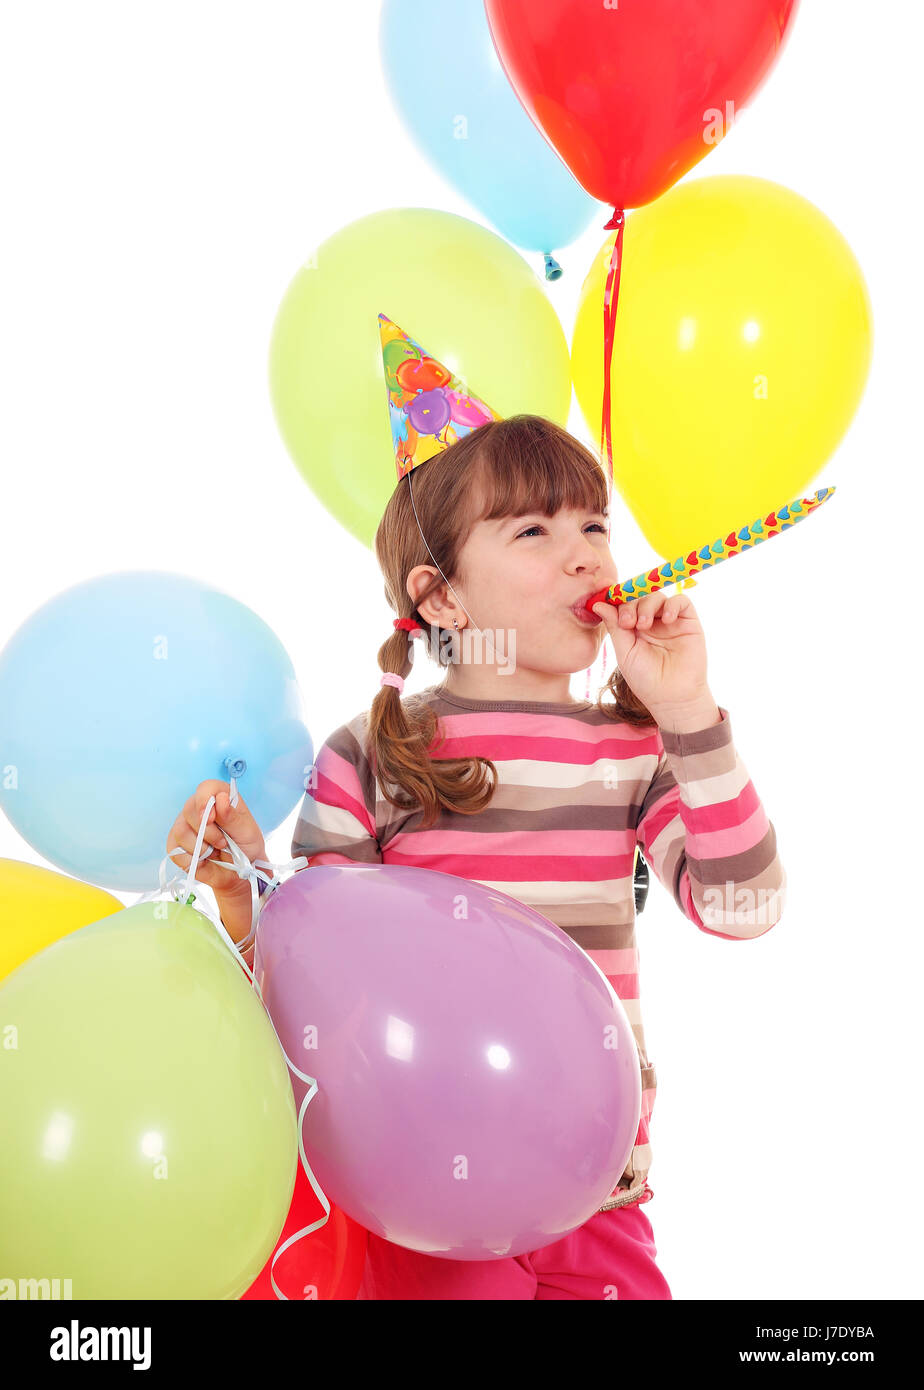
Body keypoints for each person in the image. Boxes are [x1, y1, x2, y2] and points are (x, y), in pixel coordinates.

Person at [167, 319, 786, 1300]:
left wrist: (691, 713)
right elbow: (304, 1008)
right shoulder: (370, 757)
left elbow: (746, 907)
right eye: (534, 531)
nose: (584, 555)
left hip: (601, 1191)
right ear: (442, 596)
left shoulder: (636, 749)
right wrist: (246, 901)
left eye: (592, 524)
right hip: (427, 1198)